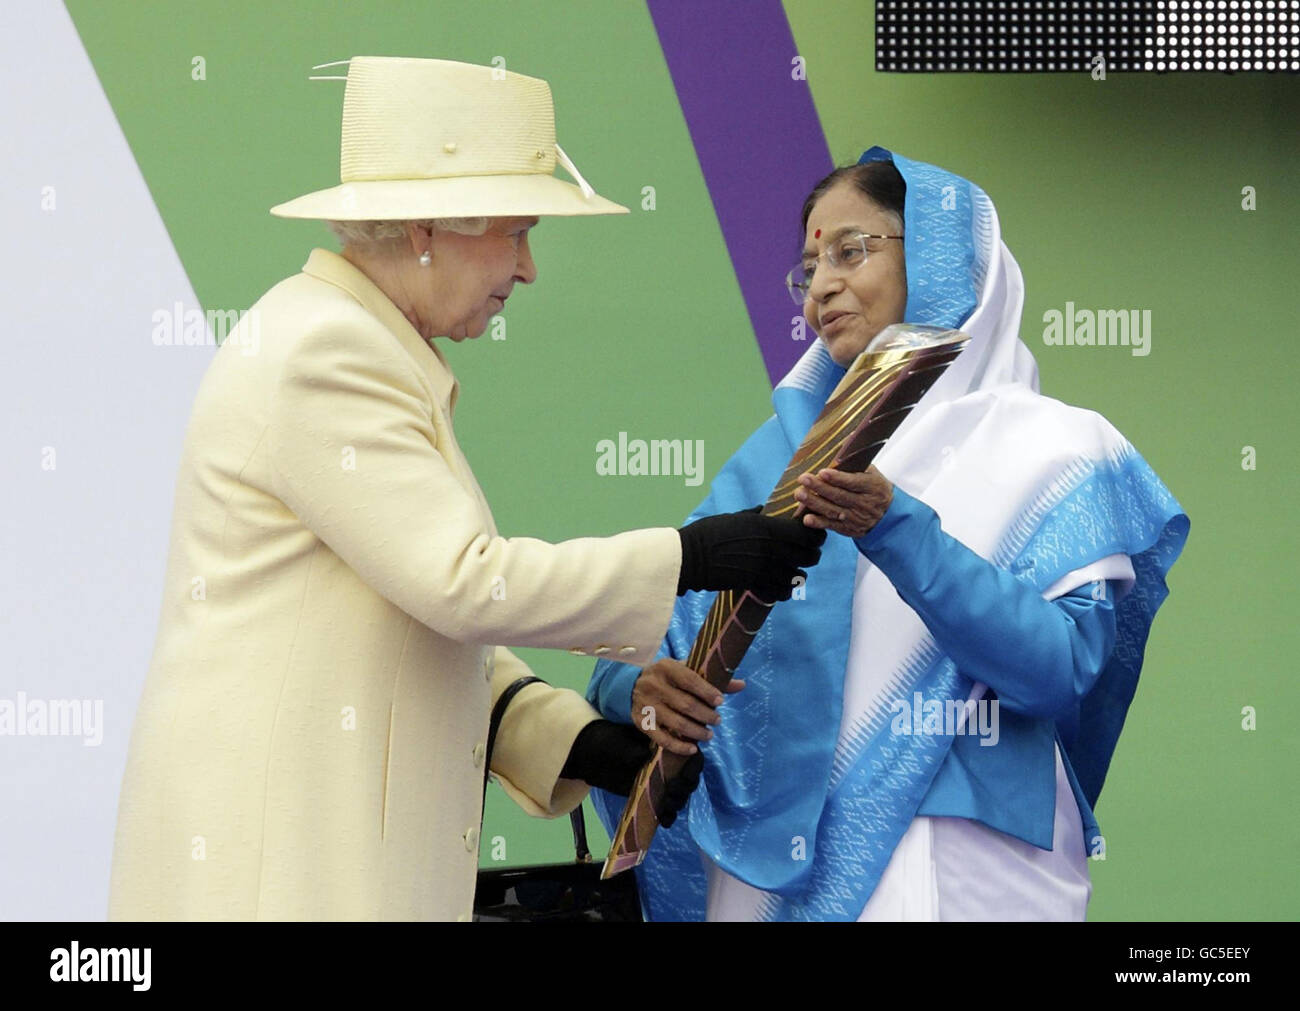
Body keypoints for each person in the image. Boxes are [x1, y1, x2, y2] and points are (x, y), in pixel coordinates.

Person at [106, 57, 823, 922]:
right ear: (427, 227)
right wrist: (695, 555)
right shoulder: (327, 353)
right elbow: (462, 583)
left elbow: (410, 622)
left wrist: (579, 742)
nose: (526, 268)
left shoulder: (350, 341)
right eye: (517, 230)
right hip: (278, 876)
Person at [587, 146, 1189, 921]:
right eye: (809, 269)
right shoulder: (780, 459)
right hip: (771, 878)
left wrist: (896, 527)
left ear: (940, 252)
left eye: (851, 250)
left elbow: (1059, 669)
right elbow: (644, 628)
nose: (822, 289)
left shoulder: (1058, 450)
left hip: (963, 860)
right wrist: (632, 689)